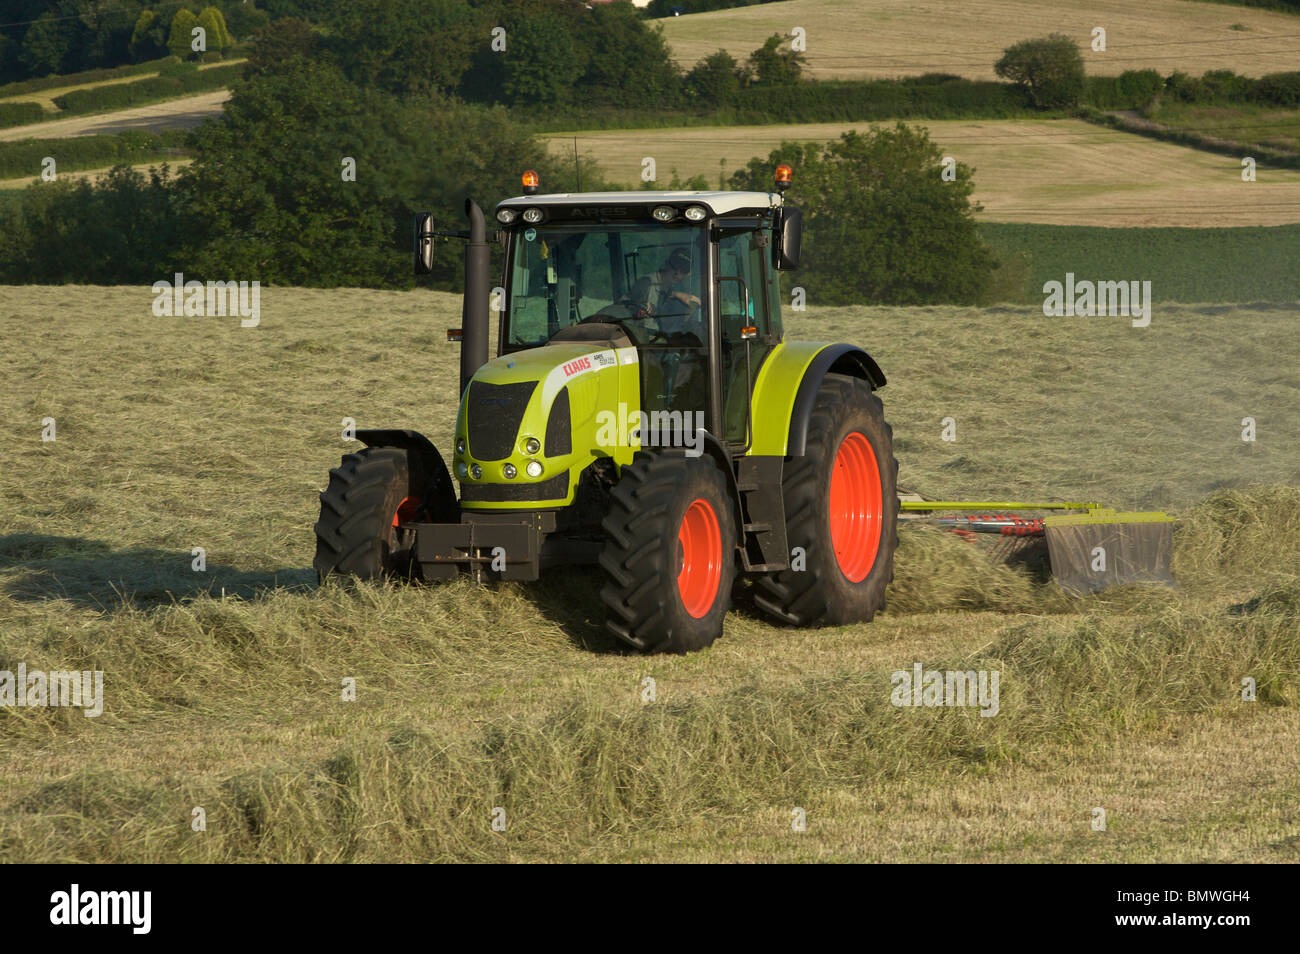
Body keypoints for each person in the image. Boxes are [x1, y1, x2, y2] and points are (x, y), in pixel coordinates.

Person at [627, 248, 701, 335]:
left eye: (683, 270)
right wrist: (641, 305)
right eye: (675, 267)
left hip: (667, 341)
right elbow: (624, 307)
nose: (677, 273)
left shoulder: (678, 288)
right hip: (645, 341)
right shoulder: (646, 283)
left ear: (688, 274)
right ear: (667, 263)